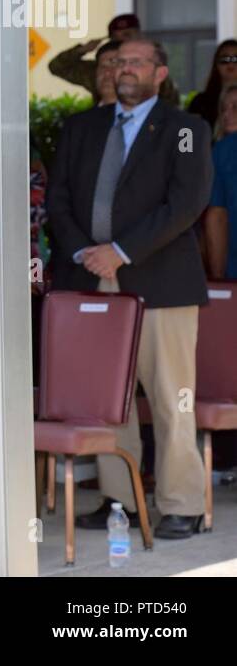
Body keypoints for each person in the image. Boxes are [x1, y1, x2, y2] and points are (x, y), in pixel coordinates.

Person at [47, 38, 212, 540]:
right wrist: (83, 252)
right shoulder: (81, 128)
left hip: (159, 282)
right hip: (90, 279)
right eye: (117, 62)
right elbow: (59, 199)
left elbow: (186, 204)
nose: (124, 69)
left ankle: (183, 504)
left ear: (160, 74)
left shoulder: (185, 130)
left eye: (136, 62)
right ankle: (122, 500)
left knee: (171, 398)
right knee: (106, 400)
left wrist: (120, 250)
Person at [49, 13, 179, 106]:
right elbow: (57, 67)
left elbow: (172, 108)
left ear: (139, 36)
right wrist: (82, 50)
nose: (121, 41)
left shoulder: (152, 69)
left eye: (127, 35)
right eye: (115, 37)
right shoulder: (98, 70)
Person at [204, 83, 237, 280]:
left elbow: (216, 216)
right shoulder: (221, 151)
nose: (227, 114)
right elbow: (216, 215)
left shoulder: (222, 151)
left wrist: (217, 279)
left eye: (236, 107)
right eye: (223, 108)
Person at [187, 39, 237, 130]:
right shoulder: (200, 102)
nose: (230, 64)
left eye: (235, 59)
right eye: (224, 59)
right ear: (216, 64)